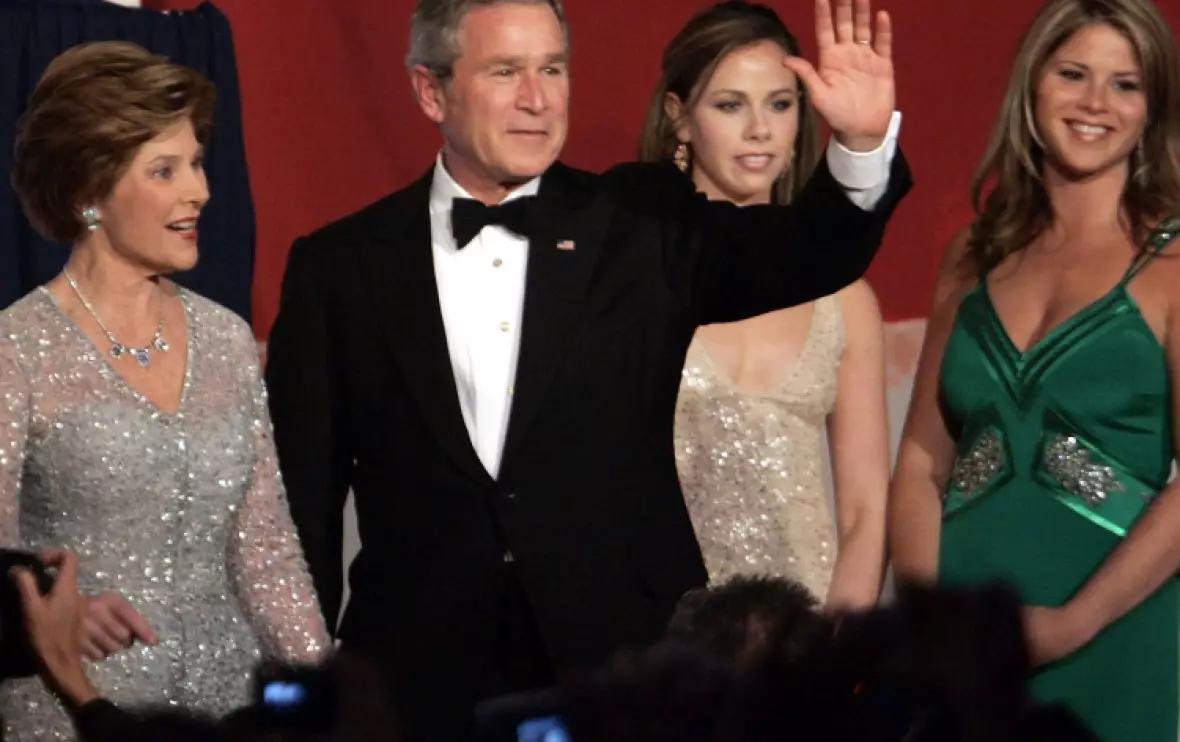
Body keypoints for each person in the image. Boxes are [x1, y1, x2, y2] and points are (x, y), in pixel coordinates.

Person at [265, 0, 910, 738]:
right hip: (419, 681)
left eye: (553, 69)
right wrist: (302, 693)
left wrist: (858, 144)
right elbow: (299, 512)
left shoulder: (642, 223)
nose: (537, 99)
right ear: (430, 91)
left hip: (623, 668)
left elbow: (804, 252)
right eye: (506, 71)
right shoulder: (340, 268)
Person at [0, 41, 331, 739]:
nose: (200, 191)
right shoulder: (16, 347)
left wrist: (326, 691)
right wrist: (60, 617)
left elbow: (265, 549)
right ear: (90, 190)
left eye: (197, 163)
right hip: (71, 709)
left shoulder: (227, 339)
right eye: (165, 170)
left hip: (226, 710)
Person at [887, 0, 1180, 739]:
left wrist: (1072, 624)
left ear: (1154, 107)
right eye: (1073, 73)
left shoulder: (1175, 263)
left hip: (1118, 635)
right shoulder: (973, 253)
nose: (1094, 103)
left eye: (1125, 84)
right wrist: (933, 620)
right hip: (967, 647)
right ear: (1032, 85)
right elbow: (922, 461)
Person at [642, 0, 889, 609]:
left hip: (803, 644)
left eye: (780, 104)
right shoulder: (634, 271)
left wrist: (836, 643)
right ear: (680, 117)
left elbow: (865, 510)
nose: (760, 130)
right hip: (662, 642)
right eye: (730, 105)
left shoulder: (846, 299)